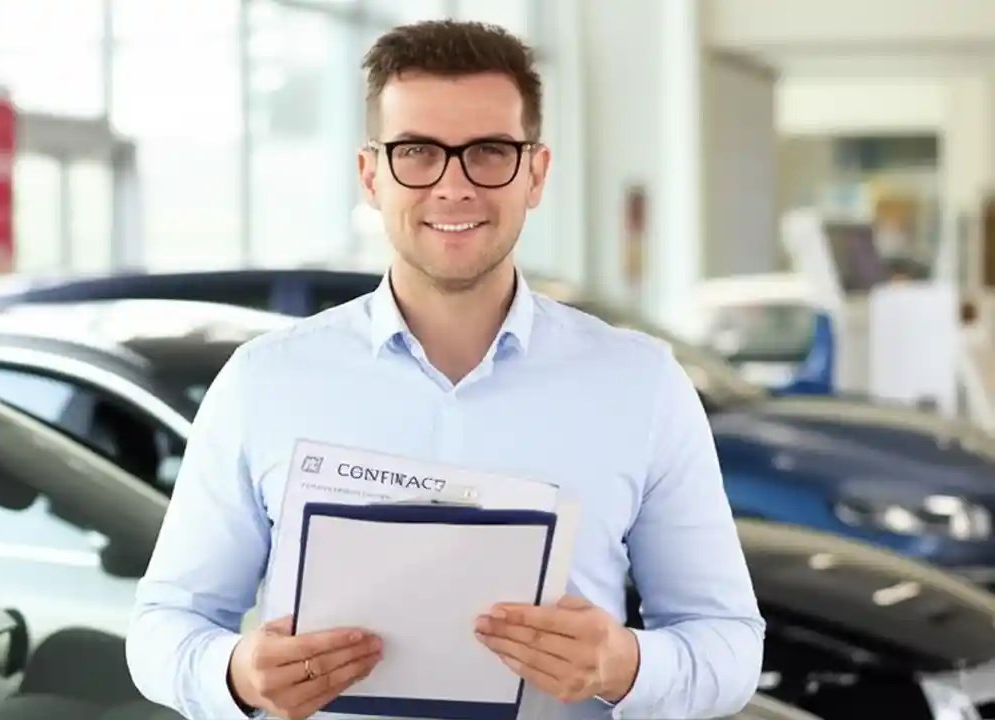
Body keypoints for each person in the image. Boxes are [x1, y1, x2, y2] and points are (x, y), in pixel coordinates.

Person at [127, 19, 764, 720]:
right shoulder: (263, 383)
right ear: (371, 175)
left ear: (536, 173)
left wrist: (628, 665)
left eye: (489, 152)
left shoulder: (641, 385)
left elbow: (730, 644)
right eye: (418, 153)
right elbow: (164, 626)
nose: (454, 186)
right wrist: (235, 674)